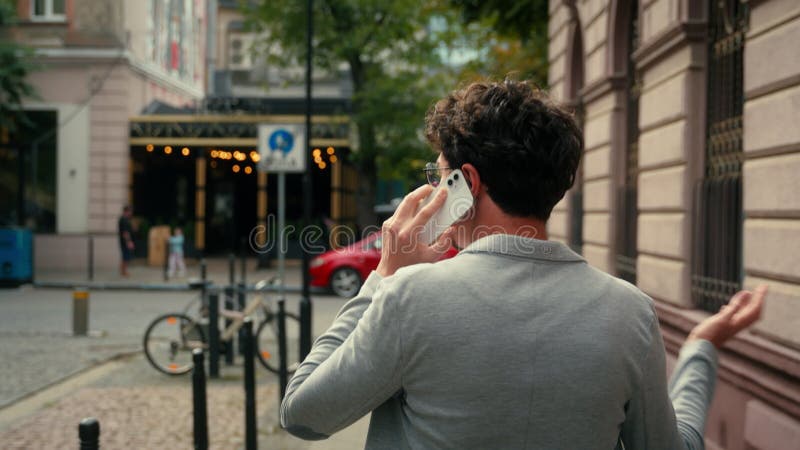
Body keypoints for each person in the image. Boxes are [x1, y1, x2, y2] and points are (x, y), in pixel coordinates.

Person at [280, 80, 766, 449]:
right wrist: (700, 347)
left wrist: (384, 274)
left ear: (467, 182)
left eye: (440, 175)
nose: (433, 187)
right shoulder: (630, 312)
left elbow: (304, 414)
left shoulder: (409, 296)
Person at [118, 205, 135, 277]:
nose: (131, 213)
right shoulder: (124, 220)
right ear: (126, 211)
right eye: (130, 211)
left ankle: (123, 271)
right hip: (125, 242)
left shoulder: (125, 219)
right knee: (126, 257)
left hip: (125, 241)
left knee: (125, 257)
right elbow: (125, 232)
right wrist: (129, 242)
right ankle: (123, 272)